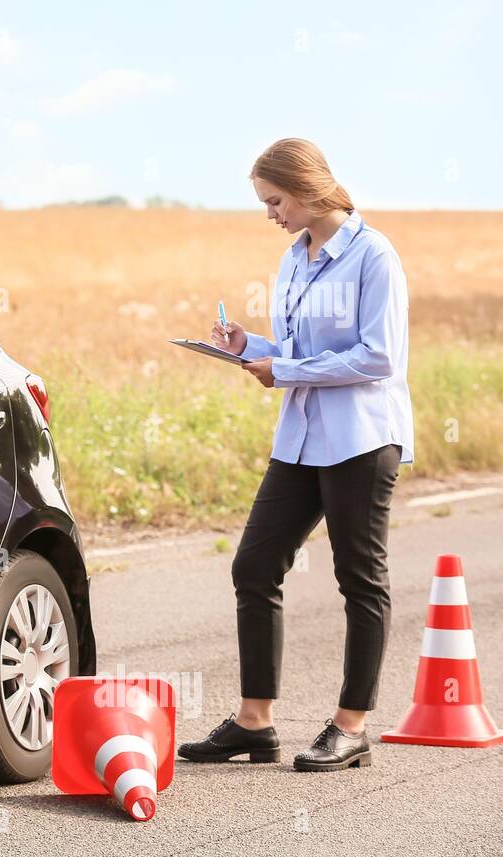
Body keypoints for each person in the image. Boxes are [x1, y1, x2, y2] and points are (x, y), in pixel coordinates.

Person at [178, 138, 414, 771]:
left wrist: (284, 369)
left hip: (361, 440)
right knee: (254, 567)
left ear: (307, 190)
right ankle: (255, 723)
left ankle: (352, 726)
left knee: (359, 579)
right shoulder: (294, 257)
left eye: (274, 200)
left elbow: (377, 356)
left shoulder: (374, 256)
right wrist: (248, 343)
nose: (270, 213)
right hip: (303, 437)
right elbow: (296, 345)